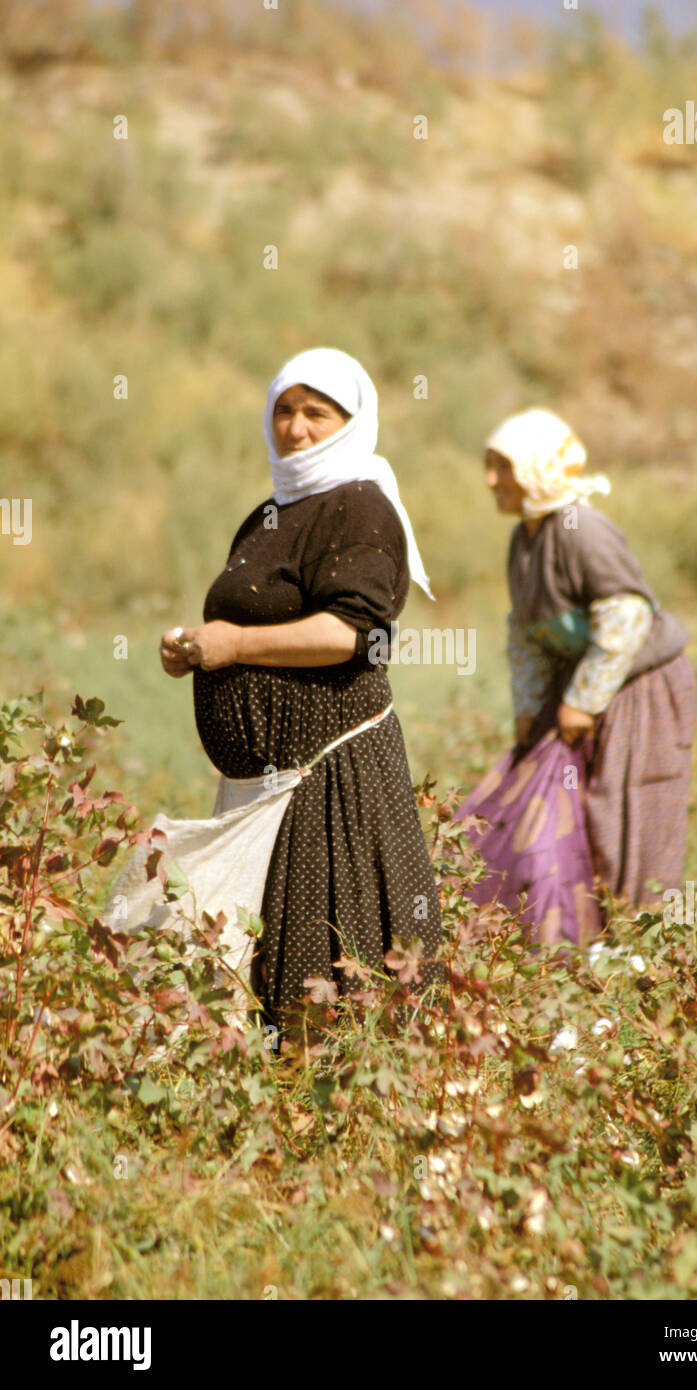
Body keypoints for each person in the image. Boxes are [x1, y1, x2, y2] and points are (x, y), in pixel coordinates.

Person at [159, 347, 442, 1029]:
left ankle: (334, 1117)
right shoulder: (269, 515)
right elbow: (250, 614)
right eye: (284, 410)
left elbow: (355, 633)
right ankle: (279, 1118)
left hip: (331, 781)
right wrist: (198, 650)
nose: (295, 427)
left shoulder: (362, 507)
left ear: (351, 422)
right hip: (267, 785)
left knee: (322, 969)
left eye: (316, 412)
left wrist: (235, 645)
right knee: (257, 965)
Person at [459, 408, 696, 944]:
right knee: (566, 808)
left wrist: (582, 701)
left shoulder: (580, 528)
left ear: (536, 468)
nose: (490, 481)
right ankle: (579, 937)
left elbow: (626, 614)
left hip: (641, 688)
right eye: (489, 466)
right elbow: (525, 633)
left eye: (502, 467)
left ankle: (641, 946)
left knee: (625, 806)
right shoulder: (524, 539)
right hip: (582, 690)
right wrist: (529, 711)